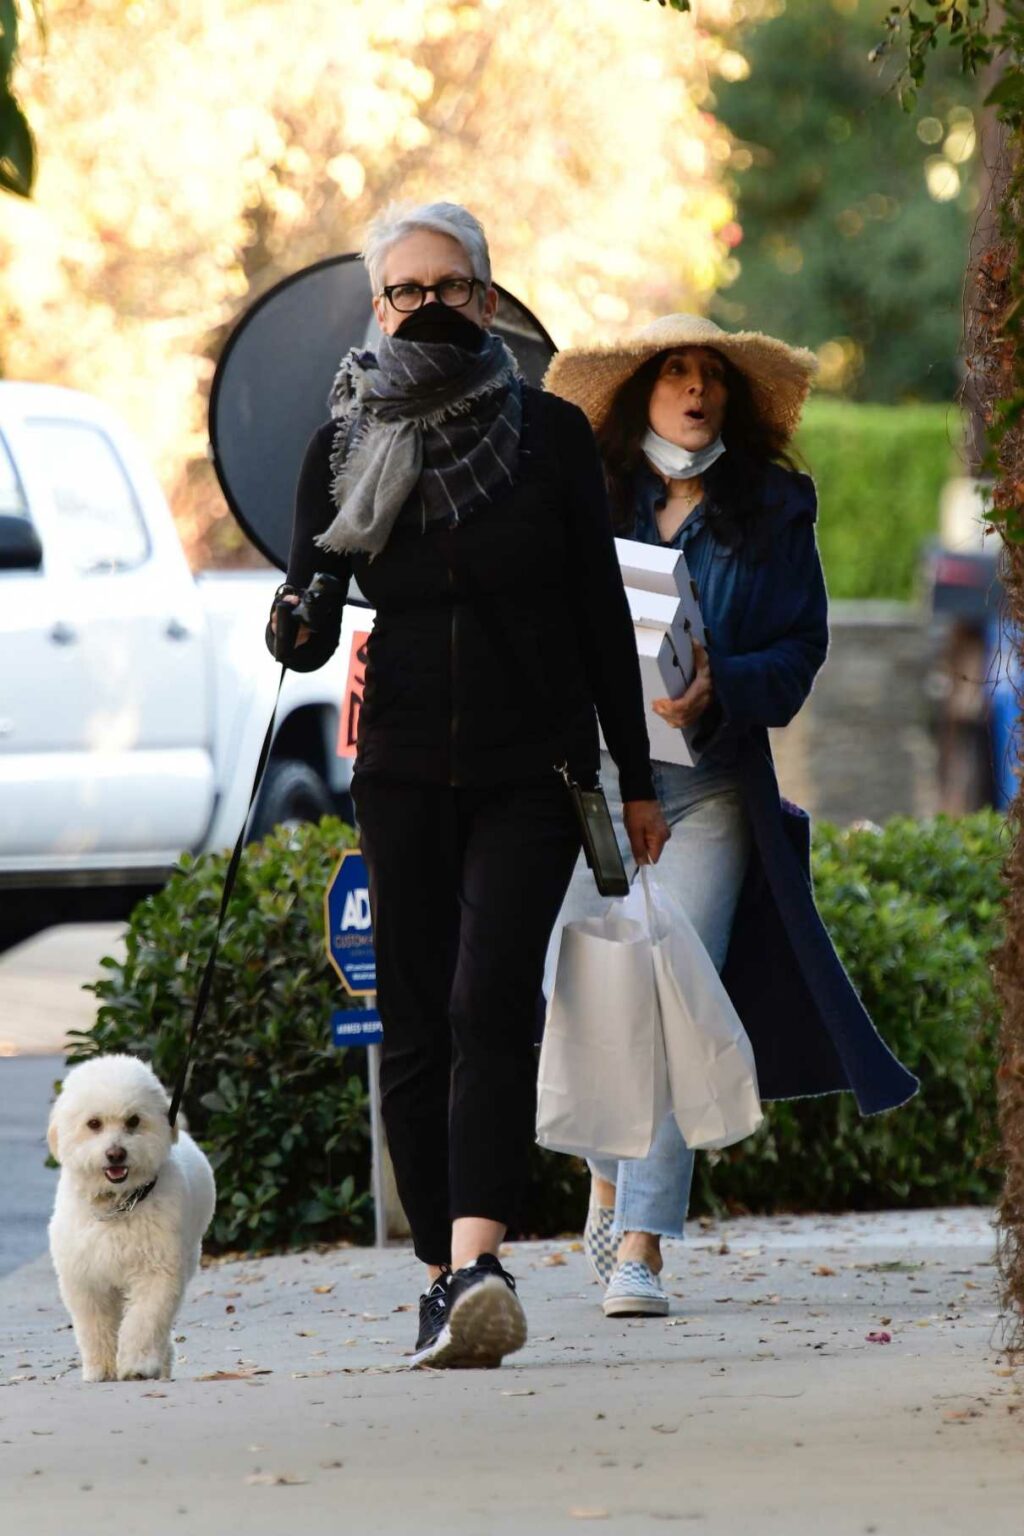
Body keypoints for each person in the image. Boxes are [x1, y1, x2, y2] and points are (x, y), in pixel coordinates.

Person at [267, 202, 669, 1368]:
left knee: (488, 1003)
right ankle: (441, 1279)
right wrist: (293, 622)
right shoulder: (341, 443)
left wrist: (634, 779)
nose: (428, 307)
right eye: (405, 291)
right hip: (398, 766)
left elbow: (600, 616)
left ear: (488, 302)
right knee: (413, 1018)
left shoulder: (546, 437)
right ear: (376, 307)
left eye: (450, 288)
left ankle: (482, 1258)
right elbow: (310, 609)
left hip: (530, 765)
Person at [543, 314, 919, 1320]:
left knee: (674, 999)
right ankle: (608, 1171)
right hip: (593, 785)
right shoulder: (589, 501)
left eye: (711, 374)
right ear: (641, 394)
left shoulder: (776, 508)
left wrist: (720, 683)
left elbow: (799, 653)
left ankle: (639, 1251)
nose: (695, 388)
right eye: (675, 371)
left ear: (732, 399)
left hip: (709, 790)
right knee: (573, 995)